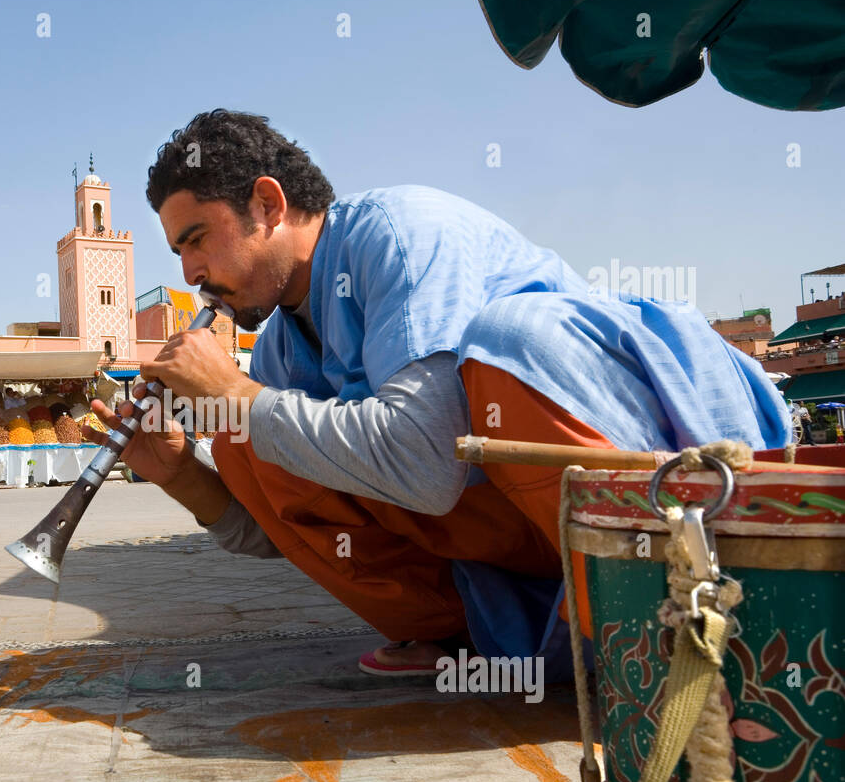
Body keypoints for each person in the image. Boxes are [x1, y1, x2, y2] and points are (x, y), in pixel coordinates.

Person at [84, 109, 790, 679]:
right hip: (521, 532)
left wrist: (236, 393)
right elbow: (293, 529)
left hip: (636, 468)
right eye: (178, 252)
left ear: (267, 204)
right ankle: (468, 639)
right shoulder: (277, 348)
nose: (192, 270)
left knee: (507, 342)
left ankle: (652, 626)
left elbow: (424, 465)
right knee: (244, 438)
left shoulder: (401, 234)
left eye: (198, 238)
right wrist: (182, 474)